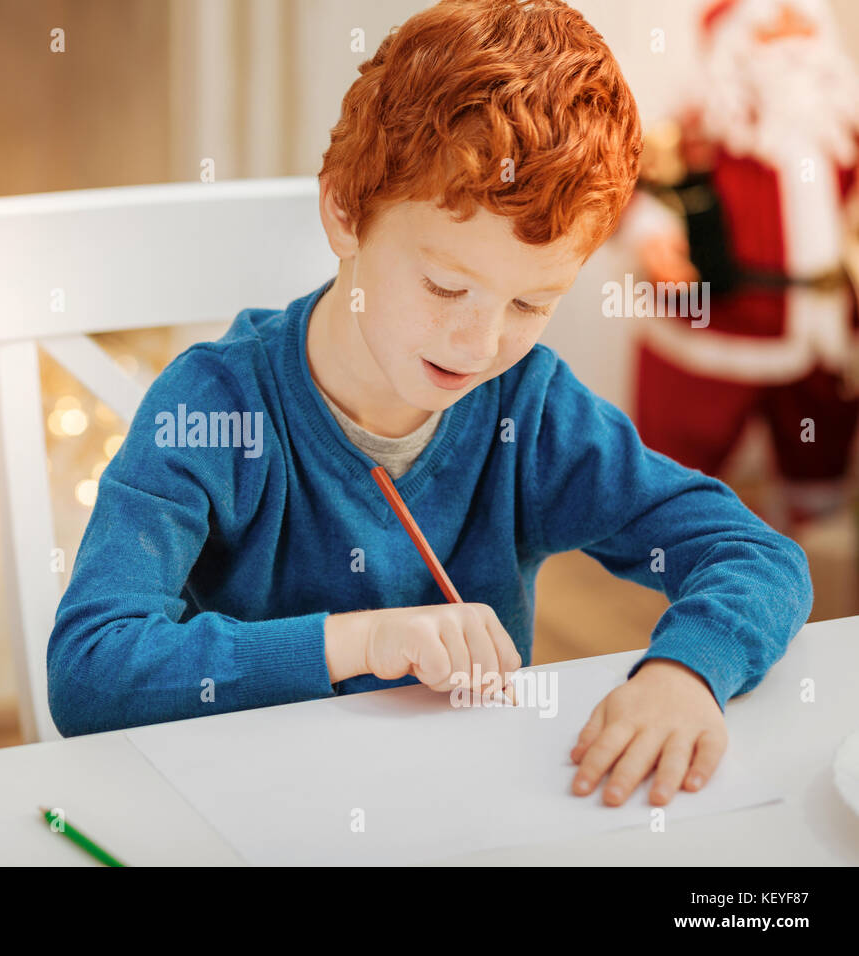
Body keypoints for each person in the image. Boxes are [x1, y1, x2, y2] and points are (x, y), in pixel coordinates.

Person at [48, 0, 812, 810]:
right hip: (241, 816)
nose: (478, 344)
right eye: (447, 286)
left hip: (458, 814)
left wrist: (685, 670)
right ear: (345, 211)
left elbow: (756, 555)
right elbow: (92, 671)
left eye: (530, 305)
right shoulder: (211, 407)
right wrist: (359, 640)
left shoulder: (530, 411)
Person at [623, 0, 859, 533]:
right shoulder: (702, 127)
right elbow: (648, 184)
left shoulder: (841, 124)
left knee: (816, 454)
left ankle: (805, 547)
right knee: (684, 455)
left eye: (802, 22)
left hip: (820, 328)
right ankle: (677, 546)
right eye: (771, 26)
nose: (790, 37)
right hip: (720, 321)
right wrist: (651, 233)